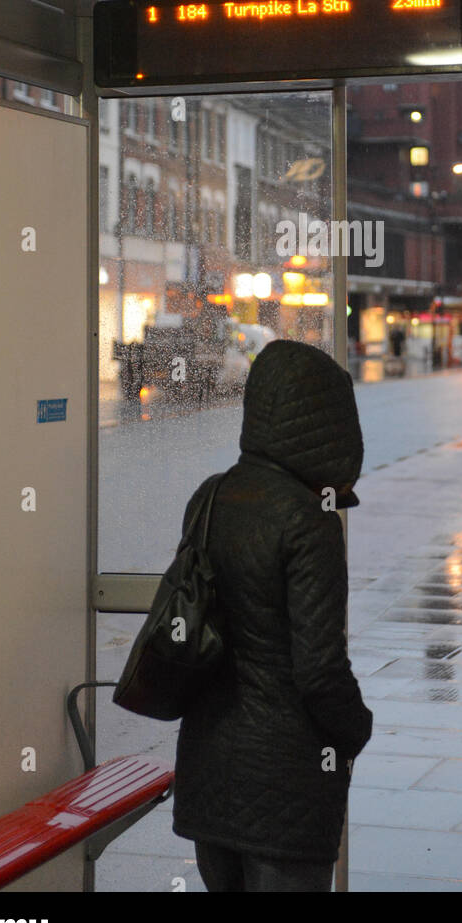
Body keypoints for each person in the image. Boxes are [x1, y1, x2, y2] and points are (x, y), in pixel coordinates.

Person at [172, 339, 373, 892]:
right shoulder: (310, 522)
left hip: (208, 764)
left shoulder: (210, 498)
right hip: (287, 778)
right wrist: (357, 729)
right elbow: (319, 670)